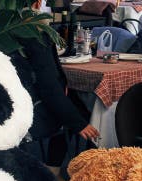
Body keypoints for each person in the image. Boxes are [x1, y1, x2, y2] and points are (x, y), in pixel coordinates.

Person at [16, 0, 100, 154]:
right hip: (33, 112)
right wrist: (78, 123)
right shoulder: (35, 33)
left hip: (9, 105)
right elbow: (49, 86)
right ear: (38, 4)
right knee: (85, 110)